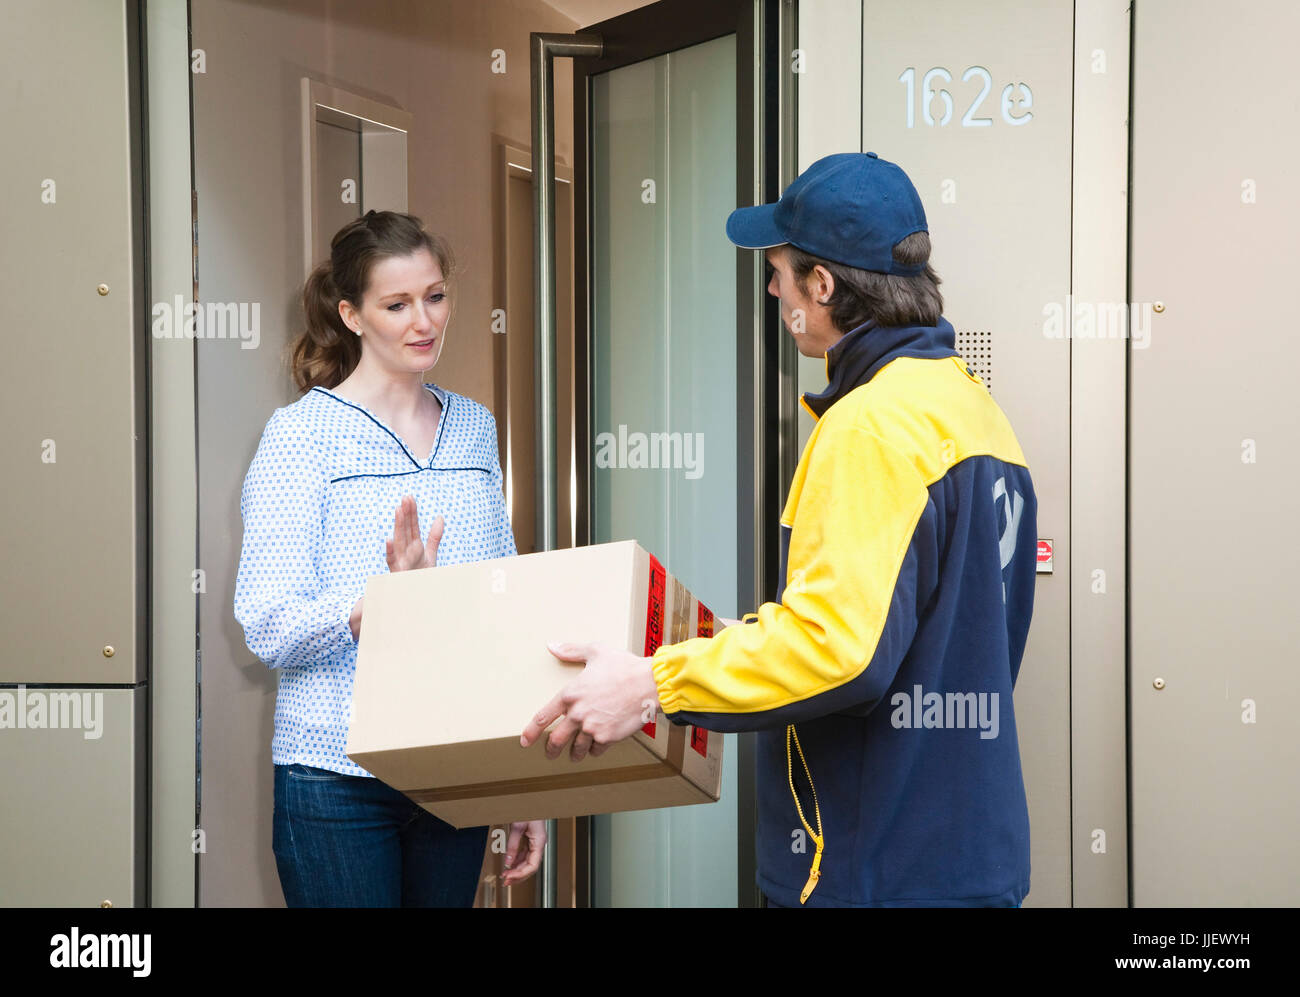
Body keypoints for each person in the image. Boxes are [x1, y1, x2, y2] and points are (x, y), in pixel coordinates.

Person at [522, 152, 1038, 908]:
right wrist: (699, 649)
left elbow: (841, 653)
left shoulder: (870, 427)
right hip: (959, 859)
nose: (771, 289)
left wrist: (653, 685)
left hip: (875, 874)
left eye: (780, 273)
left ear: (822, 287)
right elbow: (908, 627)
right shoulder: (969, 406)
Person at [234, 209, 545, 907]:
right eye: (397, 304)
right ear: (350, 314)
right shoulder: (300, 437)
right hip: (333, 780)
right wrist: (371, 608)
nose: (424, 321)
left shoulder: (473, 426)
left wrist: (524, 781)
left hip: (452, 764)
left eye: (435, 296)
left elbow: (510, 603)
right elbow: (267, 624)